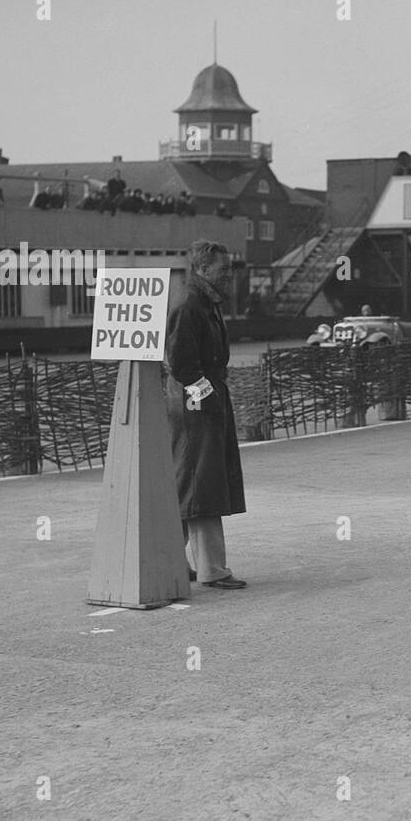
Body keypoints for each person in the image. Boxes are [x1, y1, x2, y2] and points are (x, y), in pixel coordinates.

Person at [164, 240, 247, 590]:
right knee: (203, 484)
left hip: (195, 403)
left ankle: (170, 560)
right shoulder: (191, 305)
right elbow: (182, 364)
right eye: (222, 268)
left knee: (191, 483)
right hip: (195, 407)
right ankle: (211, 568)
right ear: (202, 268)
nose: (228, 274)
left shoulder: (199, 302)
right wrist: (208, 398)